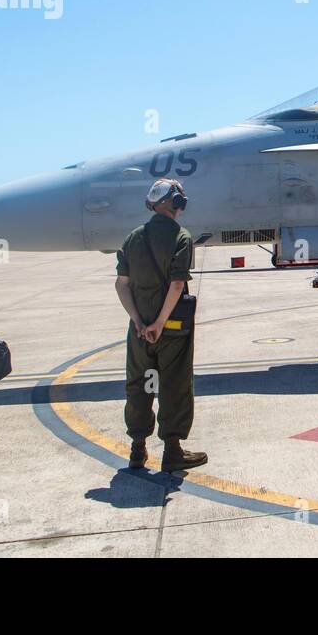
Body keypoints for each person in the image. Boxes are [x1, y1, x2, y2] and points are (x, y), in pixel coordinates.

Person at [114, 178, 207, 472]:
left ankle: (137, 449)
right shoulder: (181, 237)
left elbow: (121, 284)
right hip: (173, 328)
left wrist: (140, 323)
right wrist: (160, 323)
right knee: (175, 384)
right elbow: (177, 284)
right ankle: (172, 451)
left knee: (140, 386)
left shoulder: (132, 238)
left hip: (140, 332)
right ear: (176, 203)